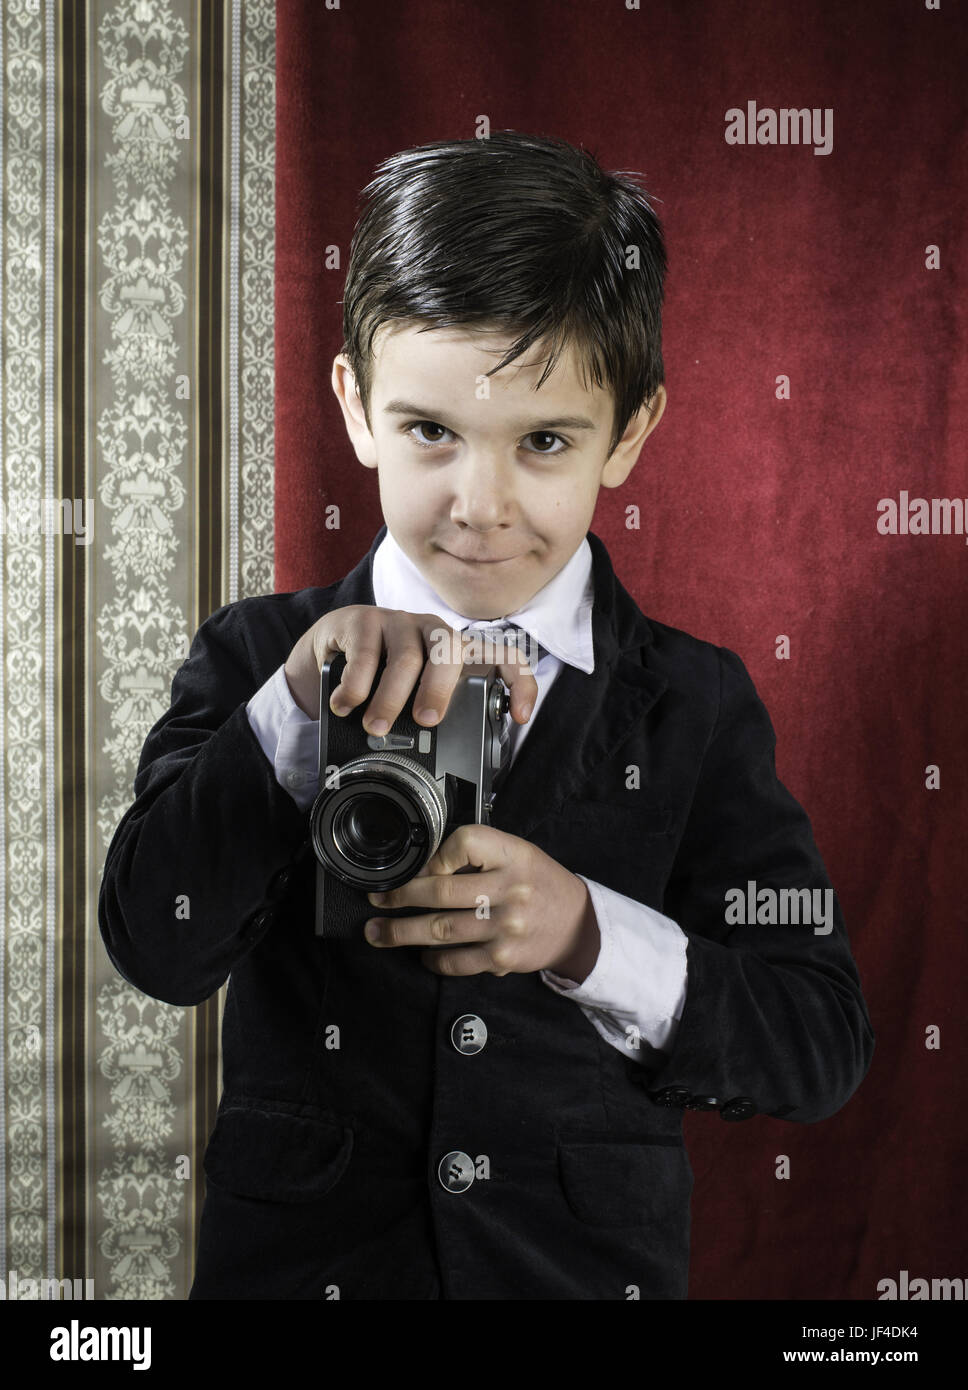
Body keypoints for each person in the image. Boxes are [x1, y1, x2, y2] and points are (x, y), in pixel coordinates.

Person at [97, 131, 874, 1300]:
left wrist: (585, 935)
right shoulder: (257, 656)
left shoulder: (696, 703)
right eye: (429, 431)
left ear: (631, 433)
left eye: (545, 441)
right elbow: (155, 943)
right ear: (355, 408)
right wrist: (291, 717)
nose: (478, 504)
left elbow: (818, 1045)